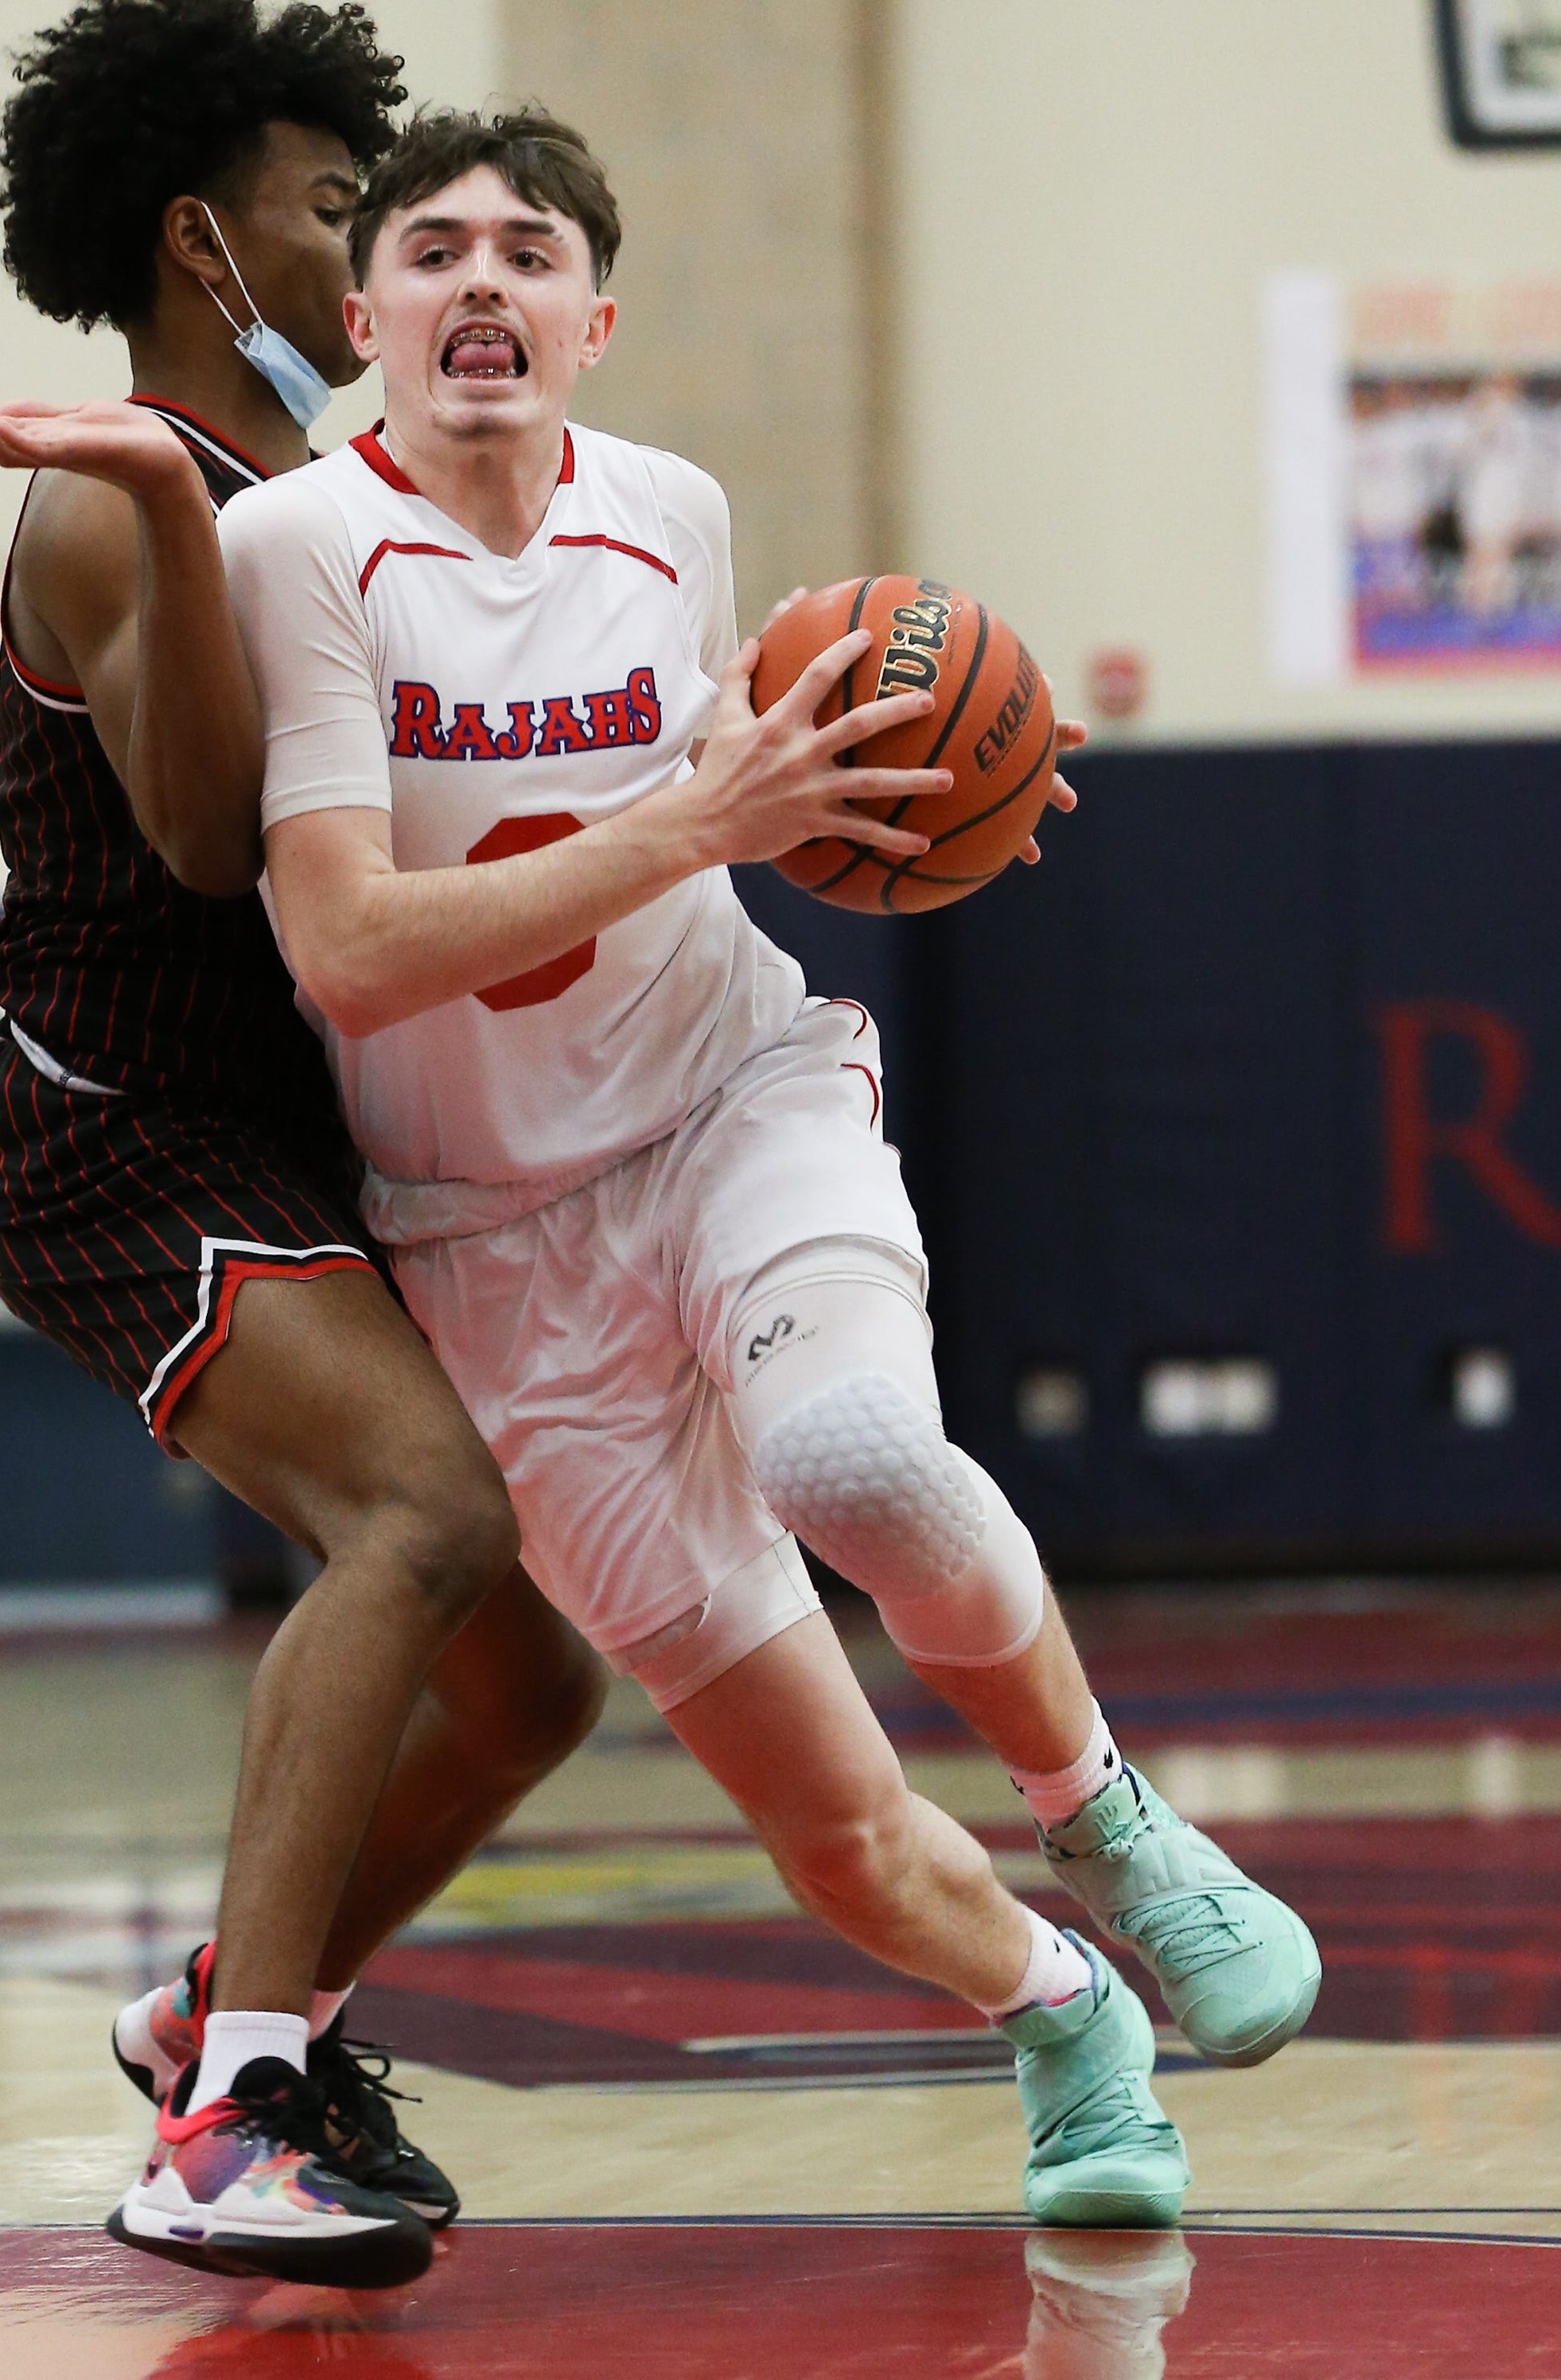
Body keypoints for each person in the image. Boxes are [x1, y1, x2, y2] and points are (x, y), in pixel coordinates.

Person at [203, 107, 1324, 2225]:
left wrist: (938, 760)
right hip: (491, 1249)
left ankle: (1113, 1823)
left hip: (733, 1100)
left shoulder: (673, 515)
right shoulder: (296, 551)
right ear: (363, 320)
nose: (479, 285)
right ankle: (1066, 2011)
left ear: (593, 320)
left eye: (528, 253)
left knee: (854, 1460)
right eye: (431, 251)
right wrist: (696, 826)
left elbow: (729, 750)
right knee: (832, 1835)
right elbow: (346, 950)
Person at [0, 0, 614, 2288]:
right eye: (343, 212)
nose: (380, 260)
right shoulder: (106, 505)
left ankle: (223, 2014)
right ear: (195, 246)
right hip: (117, 1134)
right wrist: (152, 480)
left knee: (538, 1676)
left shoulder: (340, 495)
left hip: (273, 1127)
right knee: (423, 1515)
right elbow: (214, 839)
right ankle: (227, 2133)